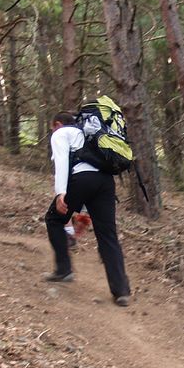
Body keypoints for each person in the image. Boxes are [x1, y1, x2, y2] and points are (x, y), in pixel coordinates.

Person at [44, 110, 132, 306]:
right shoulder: (88, 133)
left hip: (82, 179)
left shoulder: (61, 133)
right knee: (107, 234)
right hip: (106, 182)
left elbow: (61, 162)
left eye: (52, 128)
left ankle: (63, 270)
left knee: (53, 219)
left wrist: (60, 193)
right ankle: (121, 291)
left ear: (57, 124)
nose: (52, 132)